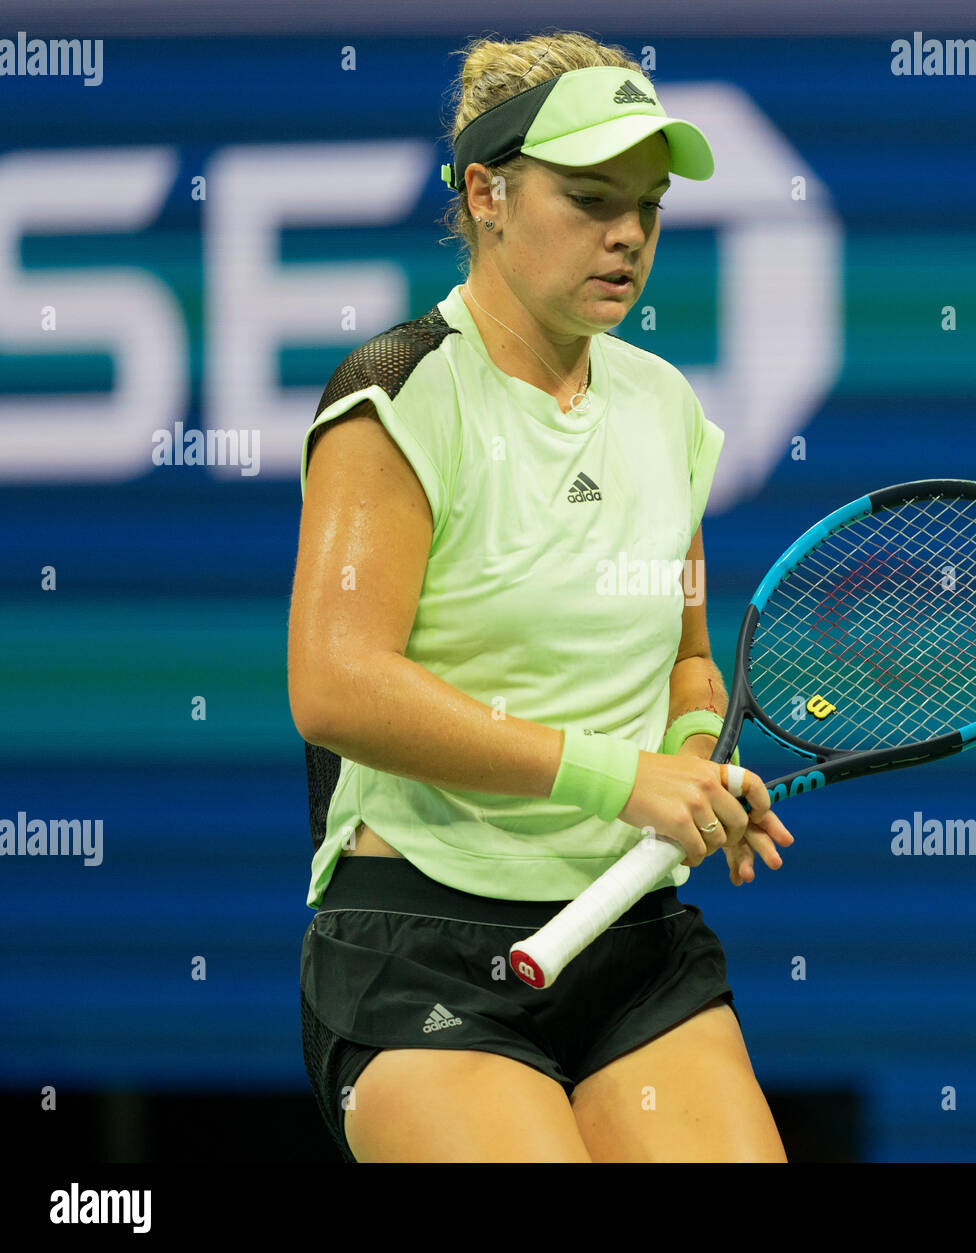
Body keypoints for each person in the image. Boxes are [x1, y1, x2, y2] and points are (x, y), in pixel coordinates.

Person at [289, 31, 793, 1163]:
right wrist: (624, 778)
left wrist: (695, 759)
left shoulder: (663, 406)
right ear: (487, 195)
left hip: (626, 935)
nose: (628, 234)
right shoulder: (398, 393)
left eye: (649, 206)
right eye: (590, 197)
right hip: (420, 941)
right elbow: (335, 686)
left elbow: (687, 660)